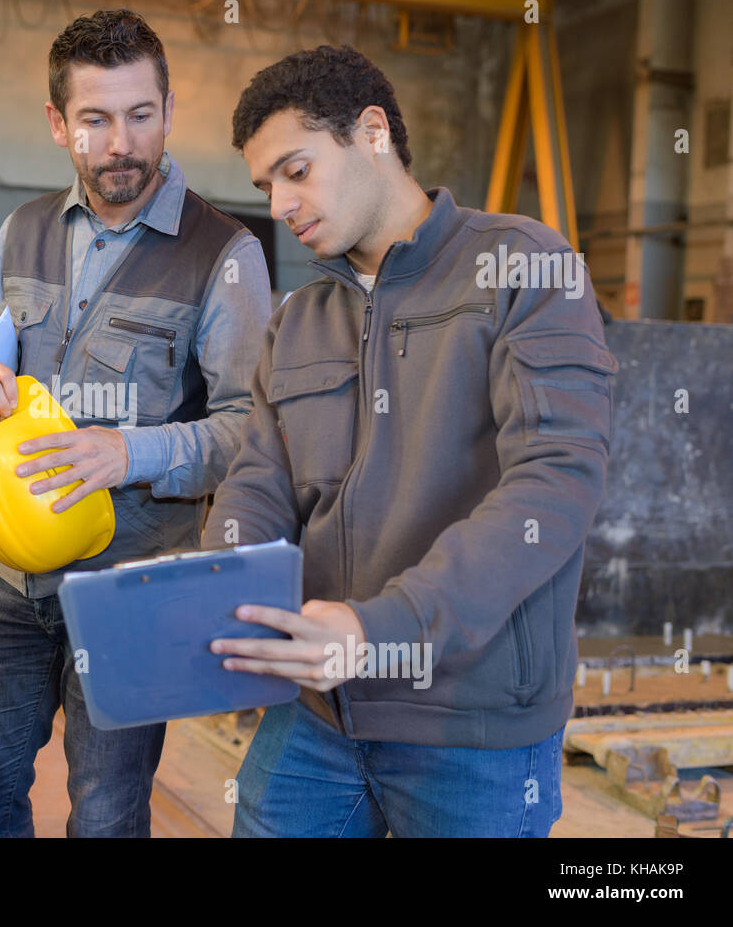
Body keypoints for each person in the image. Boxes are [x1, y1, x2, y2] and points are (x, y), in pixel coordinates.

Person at [204, 45, 617, 837]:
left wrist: (377, 631)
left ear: (371, 133)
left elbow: (554, 483)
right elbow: (258, 482)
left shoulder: (524, 267)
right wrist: (219, 588)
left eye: (297, 170)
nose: (281, 203)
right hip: (318, 719)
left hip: (472, 731)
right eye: (266, 186)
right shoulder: (298, 321)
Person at [0, 9, 271, 837]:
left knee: (107, 818)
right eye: (95, 119)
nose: (121, 142)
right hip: (10, 580)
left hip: (131, 590)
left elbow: (250, 431)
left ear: (167, 108)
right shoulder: (22, 232)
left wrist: (130, 452)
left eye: (141, 115)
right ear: (59, 124)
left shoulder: (225, 256)